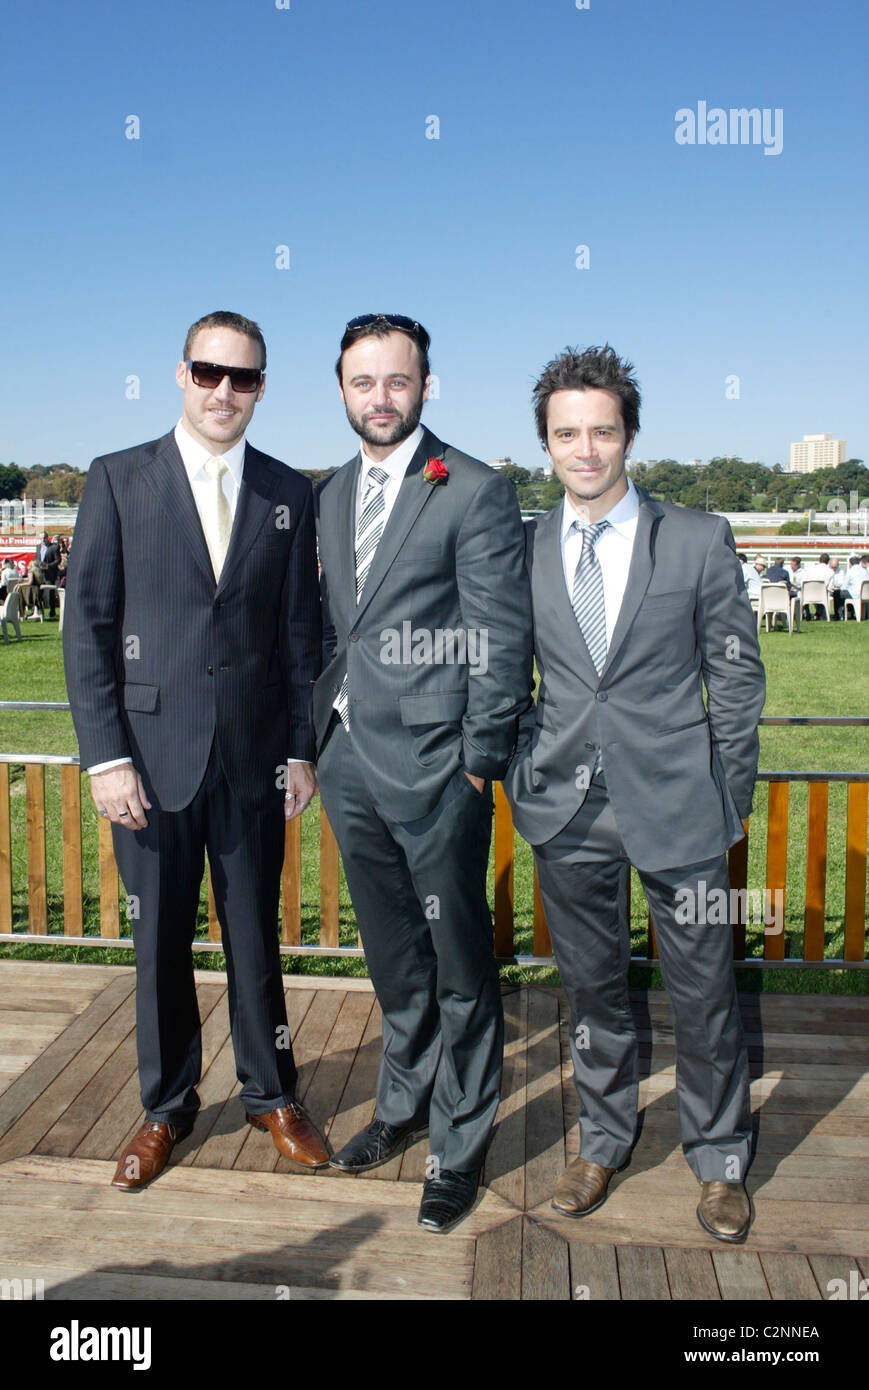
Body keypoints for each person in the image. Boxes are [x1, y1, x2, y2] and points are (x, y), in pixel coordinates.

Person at [503, 344, 766, 1243]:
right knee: (590, 991)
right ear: (545, 444)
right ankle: (602, 1140)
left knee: (704, 989)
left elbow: (735, 677)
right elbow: (504, 677)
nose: (585, 449)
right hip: (565, 809)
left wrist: (727, 793)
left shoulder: (694, 538)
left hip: (681, 805)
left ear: (628, 437)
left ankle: (720, 1156)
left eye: (601, 431)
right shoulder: (524, 546)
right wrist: (517, 769)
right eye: (566, 433)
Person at [63, 310, 327, 1191]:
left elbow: (299, 636)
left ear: (260, 388)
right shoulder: (117, 479)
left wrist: (298, 748)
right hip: (146, 764)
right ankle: (165, 1108)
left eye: (243, 377)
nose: (224, 391)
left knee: (256, 939)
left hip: (253, 762)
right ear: (180, 374)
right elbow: (88, 629)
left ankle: (271, 1094)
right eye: (209, 372)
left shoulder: (290, 493)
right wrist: (105, 758)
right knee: (158, 944)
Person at [314, 312, 532, 1233]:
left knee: (456, 962)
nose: (380, 398)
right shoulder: (328, 495)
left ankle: (458, 1142)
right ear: (341, 391)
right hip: (347, 761)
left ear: (425, 386)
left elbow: (498, 634)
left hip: (440, 768)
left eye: (397, 381)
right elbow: (337, 627)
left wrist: (477, 765)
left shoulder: (471, 488)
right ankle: (401, 1110)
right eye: (363, 382)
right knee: (394, 957)